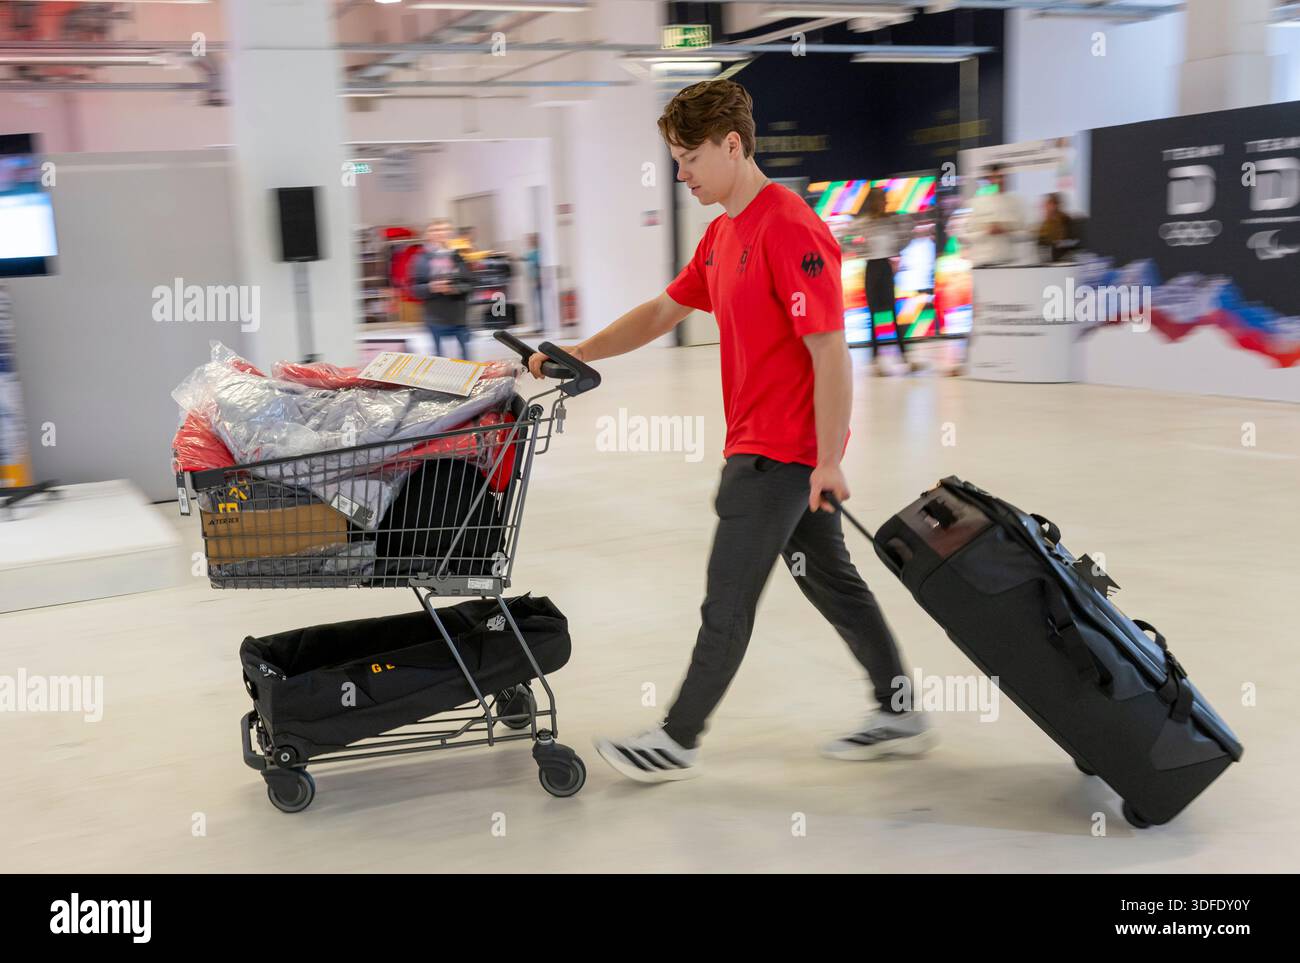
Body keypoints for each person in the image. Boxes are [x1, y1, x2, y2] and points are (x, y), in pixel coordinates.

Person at [525, 79, 934, 783]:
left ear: (732, 145)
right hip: (766, 447)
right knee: (834, 583)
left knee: (728, 595)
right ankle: (900, 708)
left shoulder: (791, 227)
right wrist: (578, 352)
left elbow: (830, 351)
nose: (680, 174)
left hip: (779, 455)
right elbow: (662, 311)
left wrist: (829, 459)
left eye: (688, 158)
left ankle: (678, 736)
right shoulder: (722, 235)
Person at [854, 188, 923, 377]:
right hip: (872, 267)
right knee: (874, 315)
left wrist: (897, 249)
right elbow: (849, 238)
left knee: (892, 313)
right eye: (882, 200)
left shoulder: (890, 220)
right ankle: (876, 361)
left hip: (884, 266)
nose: (885, 203)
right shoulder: (866, 222)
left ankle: (905, 358)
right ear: (874, 201)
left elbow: (908, 230)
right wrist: (861, 250)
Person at [411, 218, 475, 358]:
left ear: (450, 233)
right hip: (434, 318)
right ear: (427, 234)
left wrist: (455, 289)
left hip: (459, 317)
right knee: (438, 363)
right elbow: (415, 289)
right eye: (435, 230)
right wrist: (431, 287)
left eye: (444, 229)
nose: (440, 233)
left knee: (468, 362)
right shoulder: (421, 259)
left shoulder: (458, 256)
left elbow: (470, 284)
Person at [964, 164, 1026, 268]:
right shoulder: (975, 203)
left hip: (1009, 262)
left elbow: (1025, 234)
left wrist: (1007, 231)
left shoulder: (1015, 202)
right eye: (995, 177)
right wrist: (986, 232)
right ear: (988, 180)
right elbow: (965, 236)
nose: (999, 181)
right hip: (982, 263)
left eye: (1002, 177)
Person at [1037, 193, 1077, 262]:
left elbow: (1073, 242)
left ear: (1055, 205)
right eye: (1046, 205)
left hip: (1064, 259)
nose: (1046, 207)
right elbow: (1040, 242)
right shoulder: (1046, 222)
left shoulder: (1066, 219)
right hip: (1050, 259)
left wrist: (1056, 244)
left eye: (1049, 204)